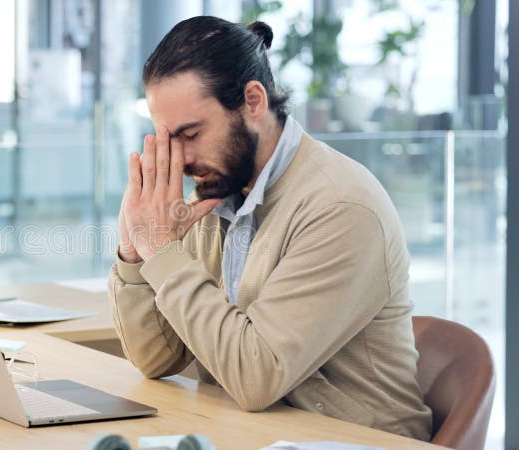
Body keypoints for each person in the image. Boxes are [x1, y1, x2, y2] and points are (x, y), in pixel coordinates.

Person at [108, 16, 432, 440]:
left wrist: (163, 252)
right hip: (247, 435)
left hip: (355, 441)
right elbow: (155, 359)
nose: (180, 159)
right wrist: (136, 253)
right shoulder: (215, 193)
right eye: (169, 140)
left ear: (253, 102)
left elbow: (255, 375)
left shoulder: (340, 206)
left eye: (191, 133)